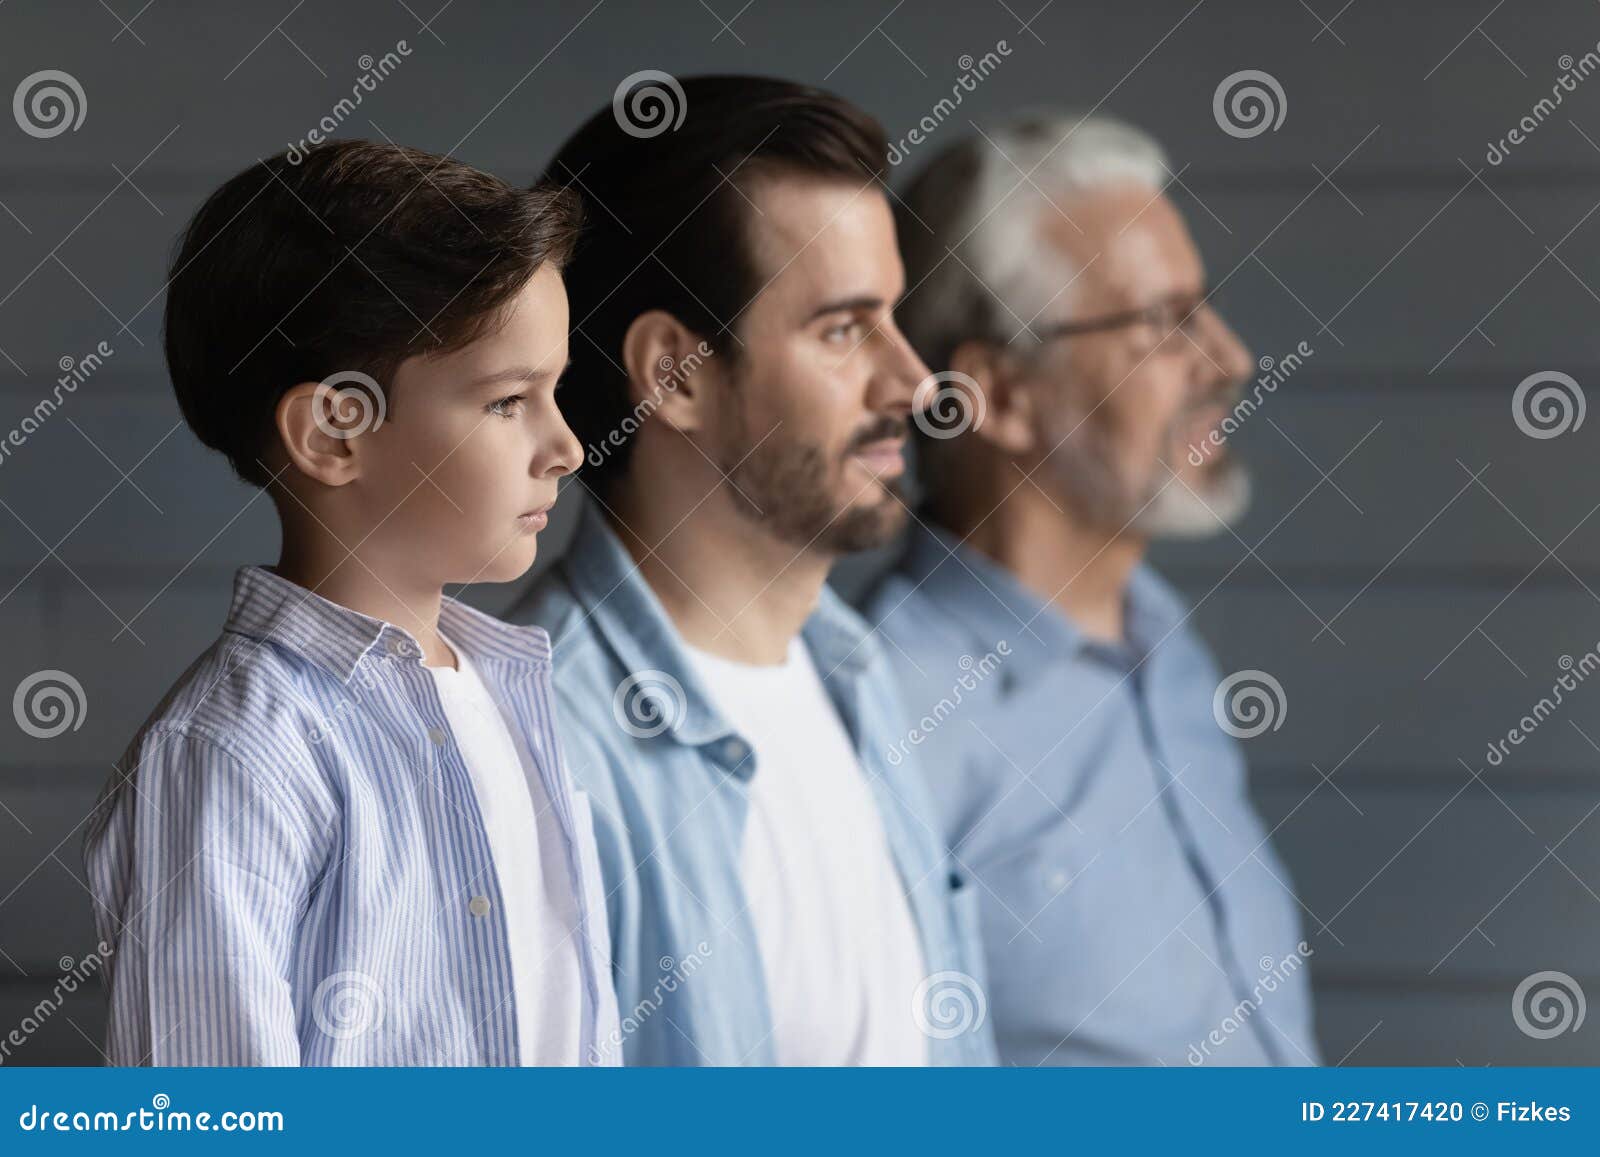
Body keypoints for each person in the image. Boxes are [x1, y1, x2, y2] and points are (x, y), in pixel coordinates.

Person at [82, 140, 619, 1065]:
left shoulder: (510, 693)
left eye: (556, 391)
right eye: (506, 402)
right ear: (333, 434)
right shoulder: (236, 750)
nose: (566, 445)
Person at [509, 75, 995, 1066]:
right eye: (842, 328)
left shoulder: (857, 677)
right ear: (673, 375)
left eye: (893, 319)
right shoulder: (538, 752)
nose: (912, 380)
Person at [860, 112, 1319, 1066]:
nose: (1229, 359)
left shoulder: (1165, 645)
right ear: (1005, 395)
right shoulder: (887, 717)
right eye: (1163, 323)